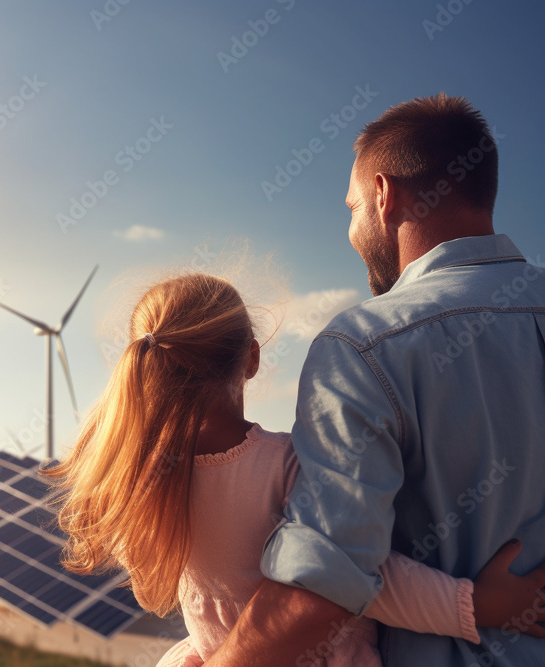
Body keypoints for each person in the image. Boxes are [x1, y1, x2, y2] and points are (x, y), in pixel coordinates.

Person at [41, 271, 545, 666]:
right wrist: (475, 606)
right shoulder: (284, 463)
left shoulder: (141, 483)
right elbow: (355, 576)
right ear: (252, 359)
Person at [208, 94, 545, 666]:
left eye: (351, 206)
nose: (351, 226)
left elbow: (324, 583)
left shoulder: (363, 347)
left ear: (384, 196)